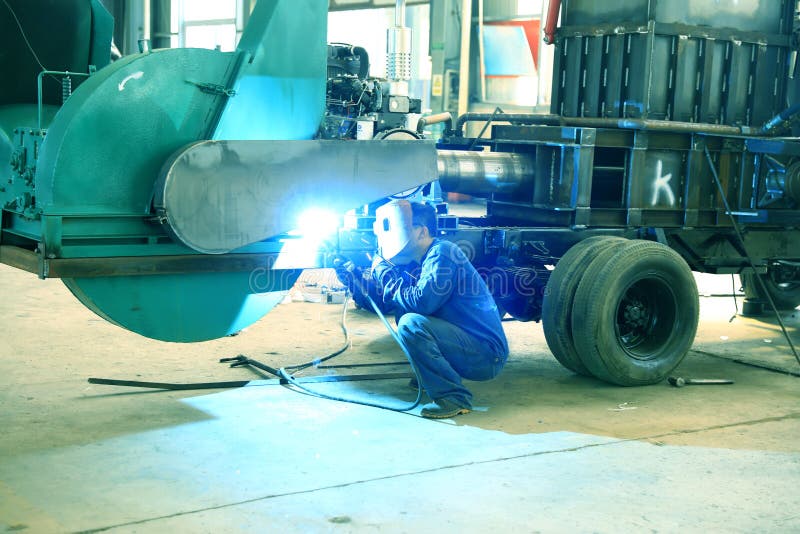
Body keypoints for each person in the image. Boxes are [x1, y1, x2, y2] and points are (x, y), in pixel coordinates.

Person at [336, 200, 508, 419]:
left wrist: (385, 274)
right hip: (468, 345)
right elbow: (385, 304)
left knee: (411, 323)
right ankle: (431, 375)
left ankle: (454, 398)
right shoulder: (416, 261)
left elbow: (422, 302)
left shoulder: (443, 252)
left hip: (486, 355)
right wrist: (354, 279)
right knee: (404, 313)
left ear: (421, 232)